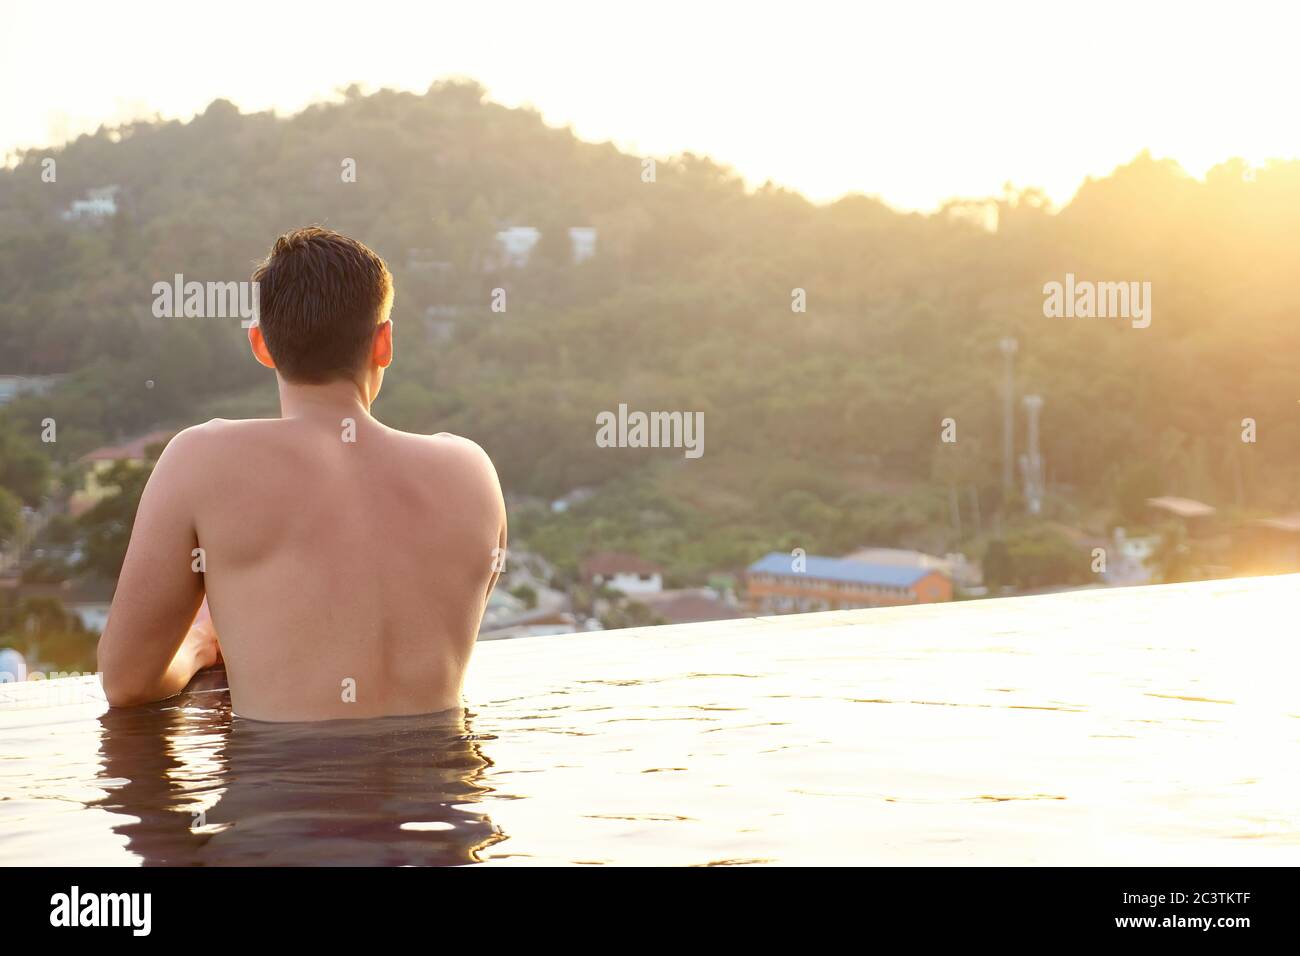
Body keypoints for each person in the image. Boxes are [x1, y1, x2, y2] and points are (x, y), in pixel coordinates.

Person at [97, 226, 506, 721]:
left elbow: (127, 683)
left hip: (287, 792)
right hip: (444, 790)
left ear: (261, 344)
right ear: (384, 343)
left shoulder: (200, 460)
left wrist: (201, 645)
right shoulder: (471, 472)